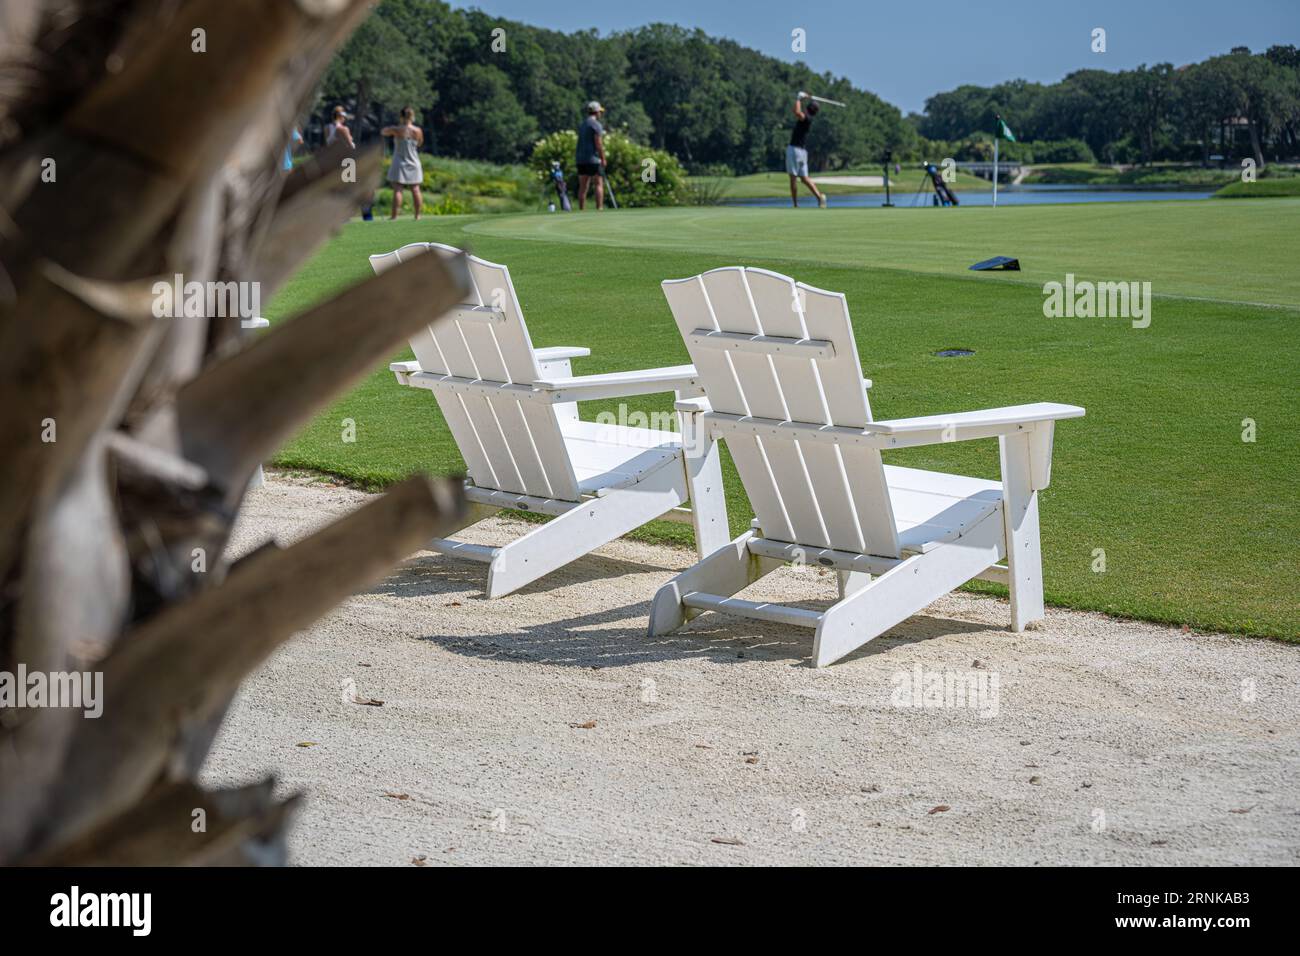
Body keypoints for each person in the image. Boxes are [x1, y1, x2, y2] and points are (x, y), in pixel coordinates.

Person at [382, 107, 424, 220]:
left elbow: (384, 131)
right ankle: (417, 215)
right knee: (416, 189)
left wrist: (393, 127)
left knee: (398, 189)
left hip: (399, 161)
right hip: (414, 161)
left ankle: (394, 216)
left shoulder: (396, 129)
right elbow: (419, 143)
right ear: (412, 116)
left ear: (401, 116)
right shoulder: (417, 130)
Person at [787, 94, 826, 208]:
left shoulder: (806, 118)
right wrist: (800, 100)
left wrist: (798, 98)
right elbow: (797, 111)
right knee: (804, 178)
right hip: (802, 152)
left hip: (794, 150)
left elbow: (797, 112)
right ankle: (820, 197)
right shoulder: (808, 118)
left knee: (793, 178)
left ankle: (795, 204)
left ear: (808, 108)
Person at [575, 101, 606, 211]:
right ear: (596, 112)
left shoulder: (583, 124)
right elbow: (598, 144)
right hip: (593, 159)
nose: (600, 114)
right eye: (600, 112)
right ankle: (599, 208)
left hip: (580, 159)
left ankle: (581, 210)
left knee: (583, 187)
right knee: (598, 184)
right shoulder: (596, 125)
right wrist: (603, 158)